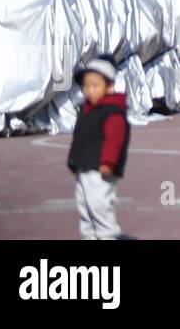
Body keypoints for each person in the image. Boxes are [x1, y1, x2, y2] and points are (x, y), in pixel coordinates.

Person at [66, 56, 130, 240]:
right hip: (84, 166)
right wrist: (73, 161)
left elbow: (114, 141)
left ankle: (108, 235)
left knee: (99, 203)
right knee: (84, 204)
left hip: (100, 169)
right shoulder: (86, 110)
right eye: (86, 86)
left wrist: (108, 162)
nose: (89, 90)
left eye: (95, 85)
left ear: (109, 87)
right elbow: (79, 138)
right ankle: (90, 235)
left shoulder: (112, 113)